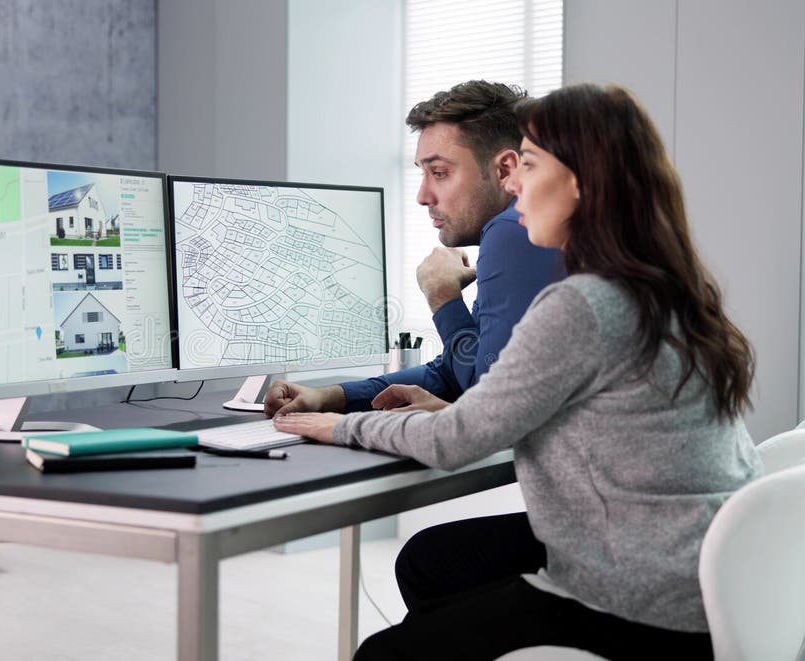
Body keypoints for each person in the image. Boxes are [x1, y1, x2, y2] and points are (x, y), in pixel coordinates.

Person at [274, 83, 762, 660]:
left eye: (527, 165)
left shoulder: (585, 302)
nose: (512, 183)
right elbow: (492, 391)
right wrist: (352, 399)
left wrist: (338, 427)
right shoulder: (668, 288)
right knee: (436, 567)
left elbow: (459, 437)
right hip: (715, 581)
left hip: (636, 600)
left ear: (578, 183)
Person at [264, 80, 563, 419]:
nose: (422, 196)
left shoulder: (512, 230)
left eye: (439, 173)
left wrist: (443, 296)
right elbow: (451, 373)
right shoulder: (525, 225)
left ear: (504, 169)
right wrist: (331, 396)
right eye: (423, 173)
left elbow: (486, 398)